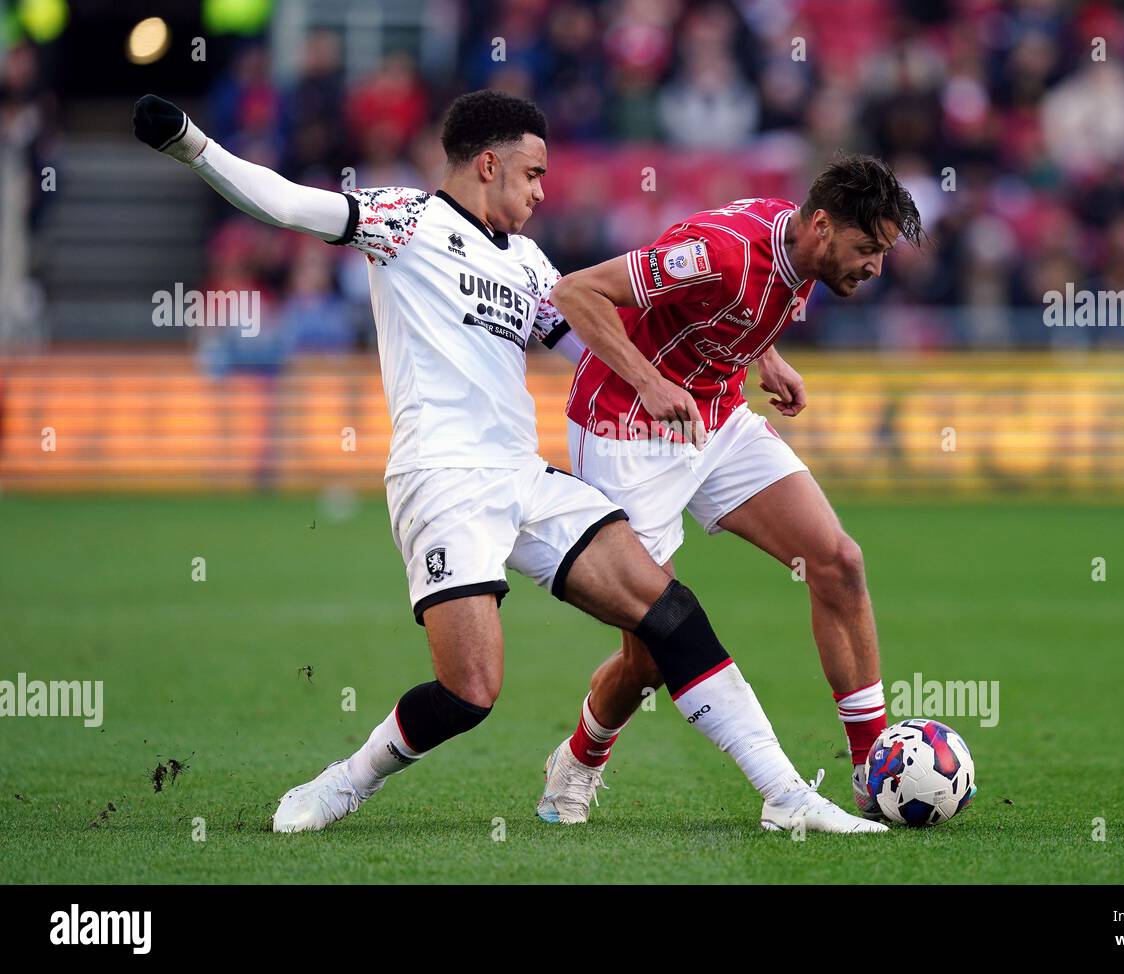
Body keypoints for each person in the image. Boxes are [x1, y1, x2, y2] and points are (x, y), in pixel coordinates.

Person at [131, 89, 884, 835]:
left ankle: (785, 792)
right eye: (532, 175)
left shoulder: (527, 262)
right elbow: (291, 206)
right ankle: (346, 780)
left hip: (524, 478)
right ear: (488, 165)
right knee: (471, 691)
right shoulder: (405, 222)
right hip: (443, 480)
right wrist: (193, 144)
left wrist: (738, 356)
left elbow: (602, 334)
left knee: (671, 615)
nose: (541, 190)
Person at [537, 158, 935, 824]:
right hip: (628, 431)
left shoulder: (801, 251)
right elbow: (577, 293)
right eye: (868, 249)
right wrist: (648, 382)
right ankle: (577, 762)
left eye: (882, 253)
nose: (874, 267)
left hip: (715, 417)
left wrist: (765, 354)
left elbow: (733, 309)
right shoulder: (717, 252)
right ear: (821, 225)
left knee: (839, 563)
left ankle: (872, 770)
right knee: (651, 653)